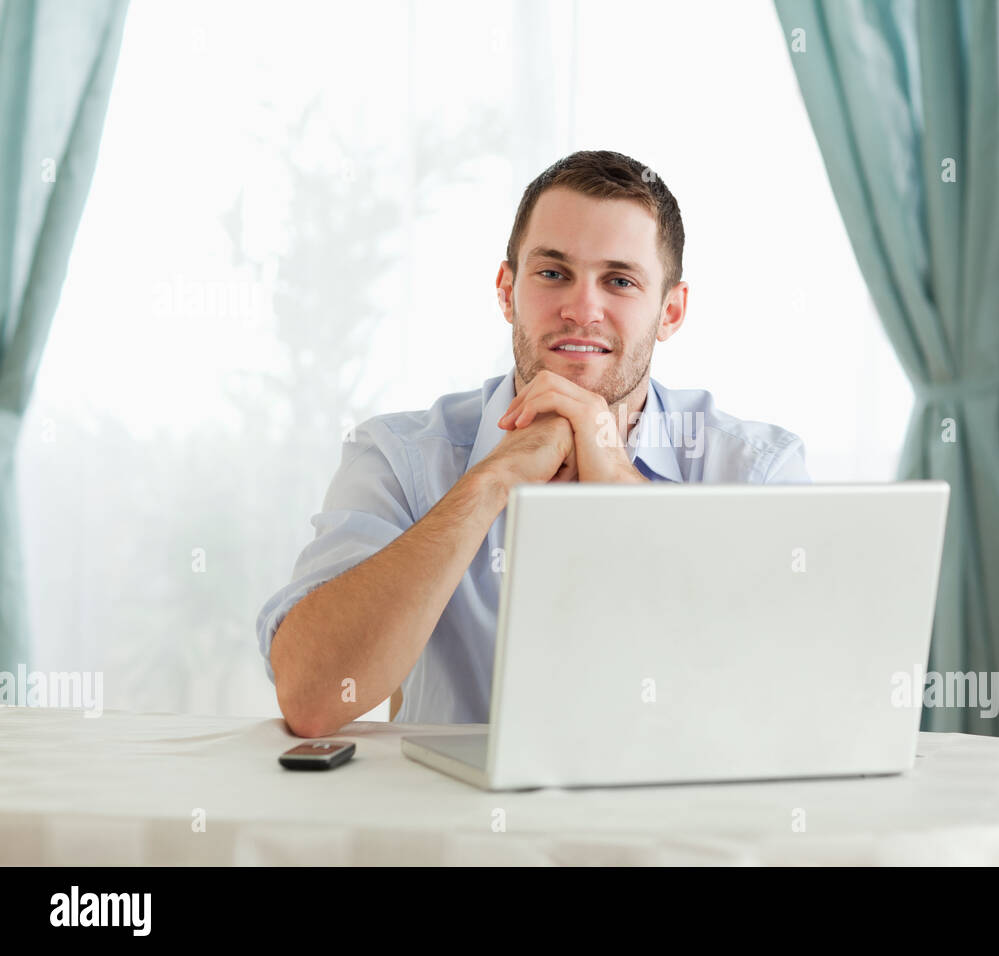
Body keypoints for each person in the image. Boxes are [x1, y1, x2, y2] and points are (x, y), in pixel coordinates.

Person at [256, 149, 809, 737]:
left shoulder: (756, 469)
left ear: (670, 311)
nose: (581, 309)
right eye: (553, 273)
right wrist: (490, 481)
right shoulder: (398, 456)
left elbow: (787, 699)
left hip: (671, 821)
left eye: (619, 281)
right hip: (455, 821)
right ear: (506, 290)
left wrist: (619, 482)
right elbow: (312, 698)